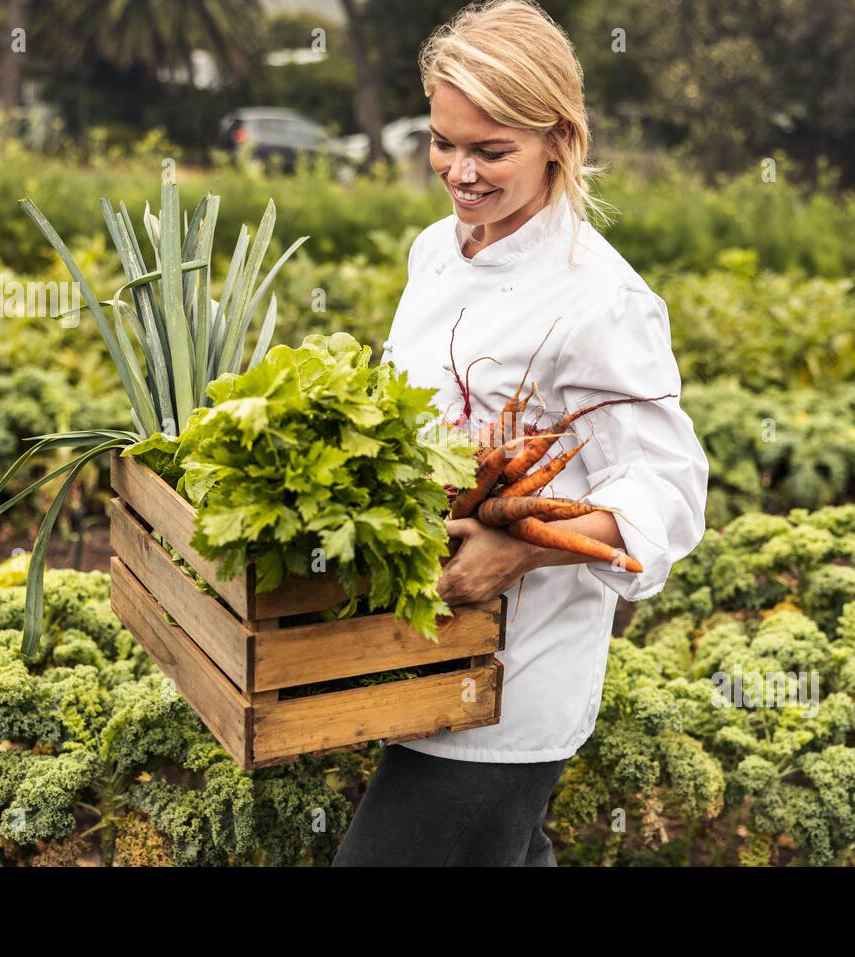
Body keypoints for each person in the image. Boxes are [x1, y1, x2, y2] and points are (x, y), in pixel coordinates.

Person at [331, 0, 709, 867]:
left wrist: (520, 552)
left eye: (490, 151)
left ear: (556, 139)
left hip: (515, 676)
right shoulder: (437, 250)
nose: (459, 172)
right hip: (419, 642)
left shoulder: (597, 299)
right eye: (443, 142)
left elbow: (668, 491)